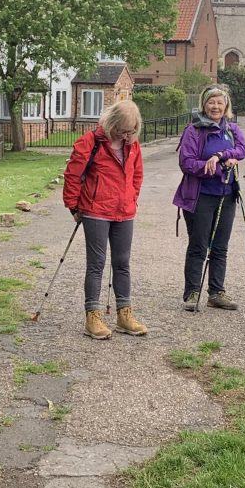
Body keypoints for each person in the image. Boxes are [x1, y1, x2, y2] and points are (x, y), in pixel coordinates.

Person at [63, 100, 145, 340]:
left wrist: (132, 198)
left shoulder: (134, 145)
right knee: (96, 264)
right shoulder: (90, 142)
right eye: (122, 130)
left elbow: (137, 175)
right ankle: (93, 316)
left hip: (124, 211)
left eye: (131, 131)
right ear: (112, 124)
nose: (127, 136)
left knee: (122, 263)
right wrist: (73, 206)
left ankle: (124, 314)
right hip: (95, 210)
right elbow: (73, 175)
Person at [173, 86, 245, 312]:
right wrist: (213, 168)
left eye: (219, 103)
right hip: (200, 196)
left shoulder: (232, 130)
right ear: (204, 105)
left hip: (226, 195)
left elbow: (241, 150)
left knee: (220, 246)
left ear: (226, 106)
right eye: (211, 102)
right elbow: (186, 163)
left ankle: (216, 292)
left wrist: (221, 156)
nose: (215, 107)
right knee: (199, 245)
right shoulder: (194, 131)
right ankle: (192, 293)